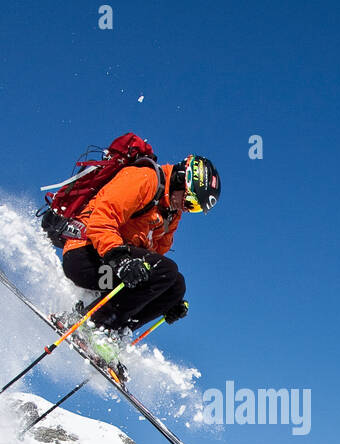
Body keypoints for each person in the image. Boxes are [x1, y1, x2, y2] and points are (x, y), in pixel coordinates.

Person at [59, 154, 220, 368]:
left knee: (176, 285)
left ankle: (111, 334)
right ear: (182, 179)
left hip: (108, 271)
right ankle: (93, 325)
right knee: (167, 270)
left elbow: (154, 260)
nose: (186, 208)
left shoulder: (170, 215)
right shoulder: (144, 179)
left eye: (195, 208)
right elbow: (101, 219)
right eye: (190, 201)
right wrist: (119, 259)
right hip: (85, 255)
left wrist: (166, 299)